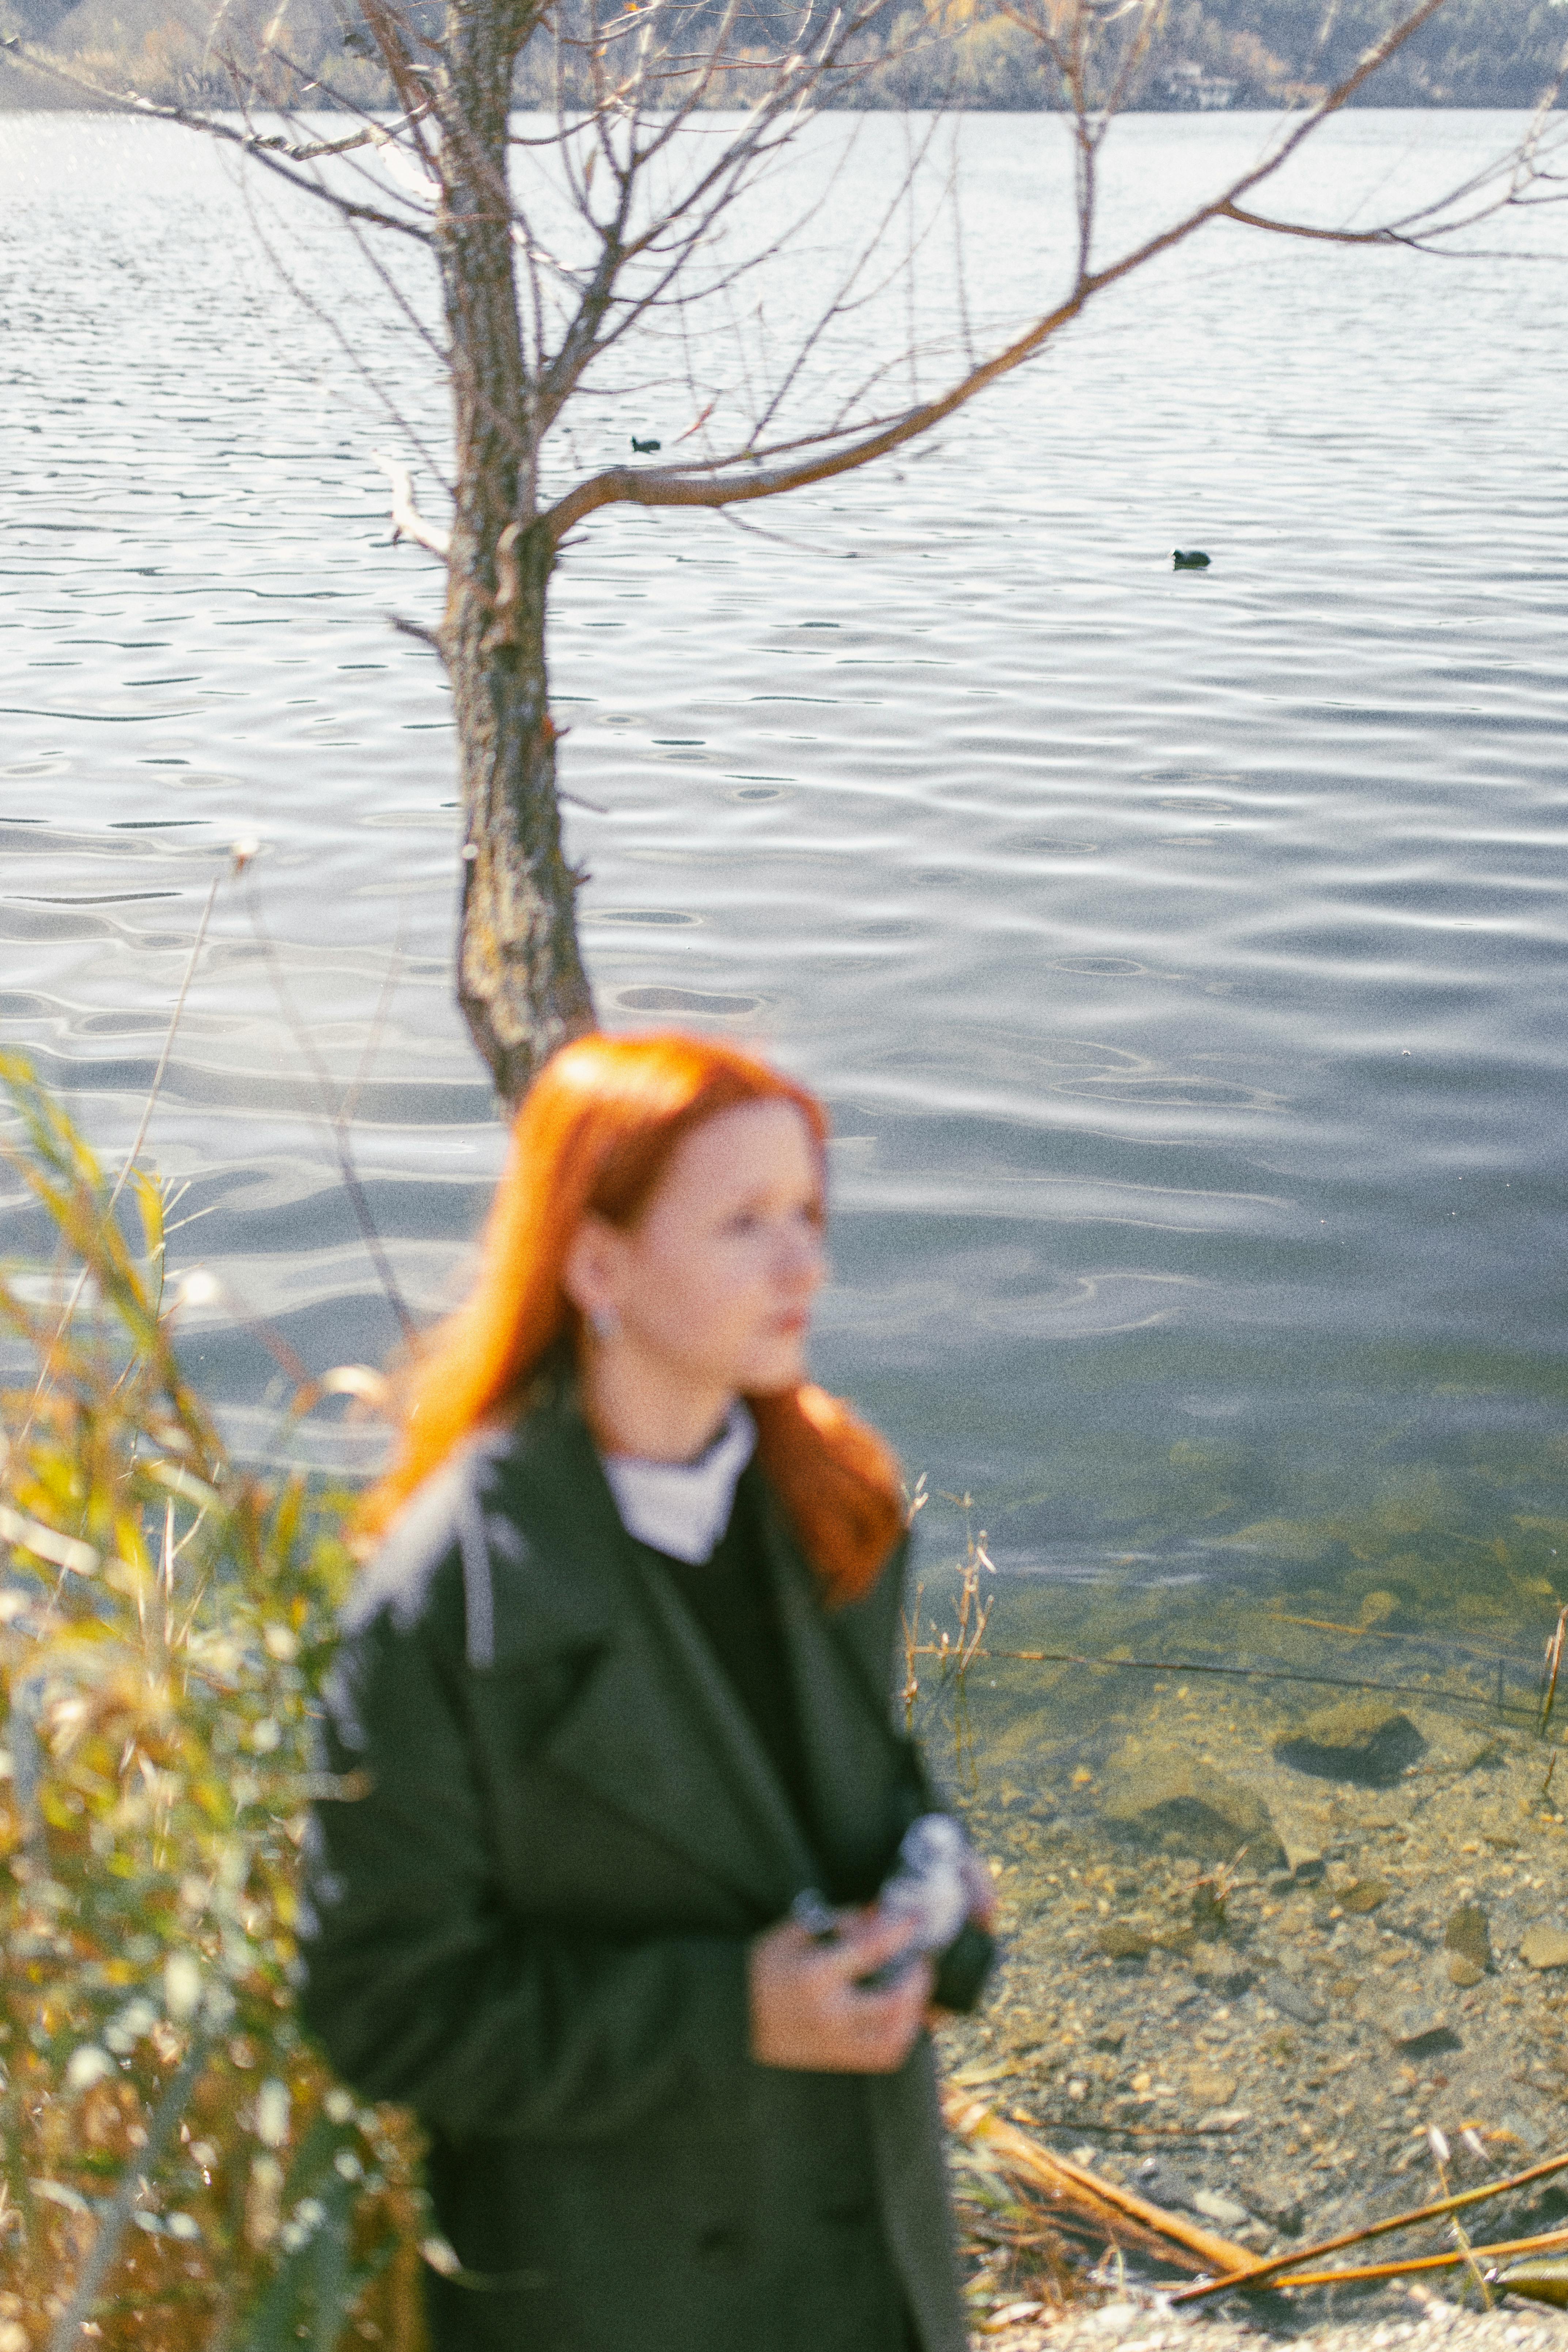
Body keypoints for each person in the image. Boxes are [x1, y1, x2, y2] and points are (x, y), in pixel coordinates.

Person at [298, 1031, 995, 2352]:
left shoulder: (831, 1500)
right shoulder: (445, 1603)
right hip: (620, 2289)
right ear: (597, 1261)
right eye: (745, 1223)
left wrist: (940, 1899)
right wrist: (731, 2009)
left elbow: (860, 1790)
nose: (806, 1265)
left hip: (872, 2258)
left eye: (807, 1214)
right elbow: (380, 2007)